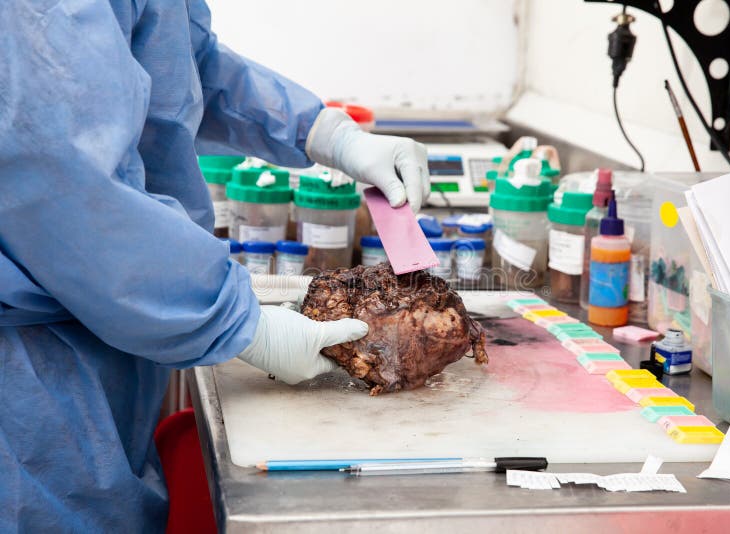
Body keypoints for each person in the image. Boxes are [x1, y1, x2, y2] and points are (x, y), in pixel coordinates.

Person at [0, 0, 430, 531]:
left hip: (98, 330)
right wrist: (238, 325)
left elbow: (179, 61)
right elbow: (60, 182)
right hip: (28, 373)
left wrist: (322, 131)